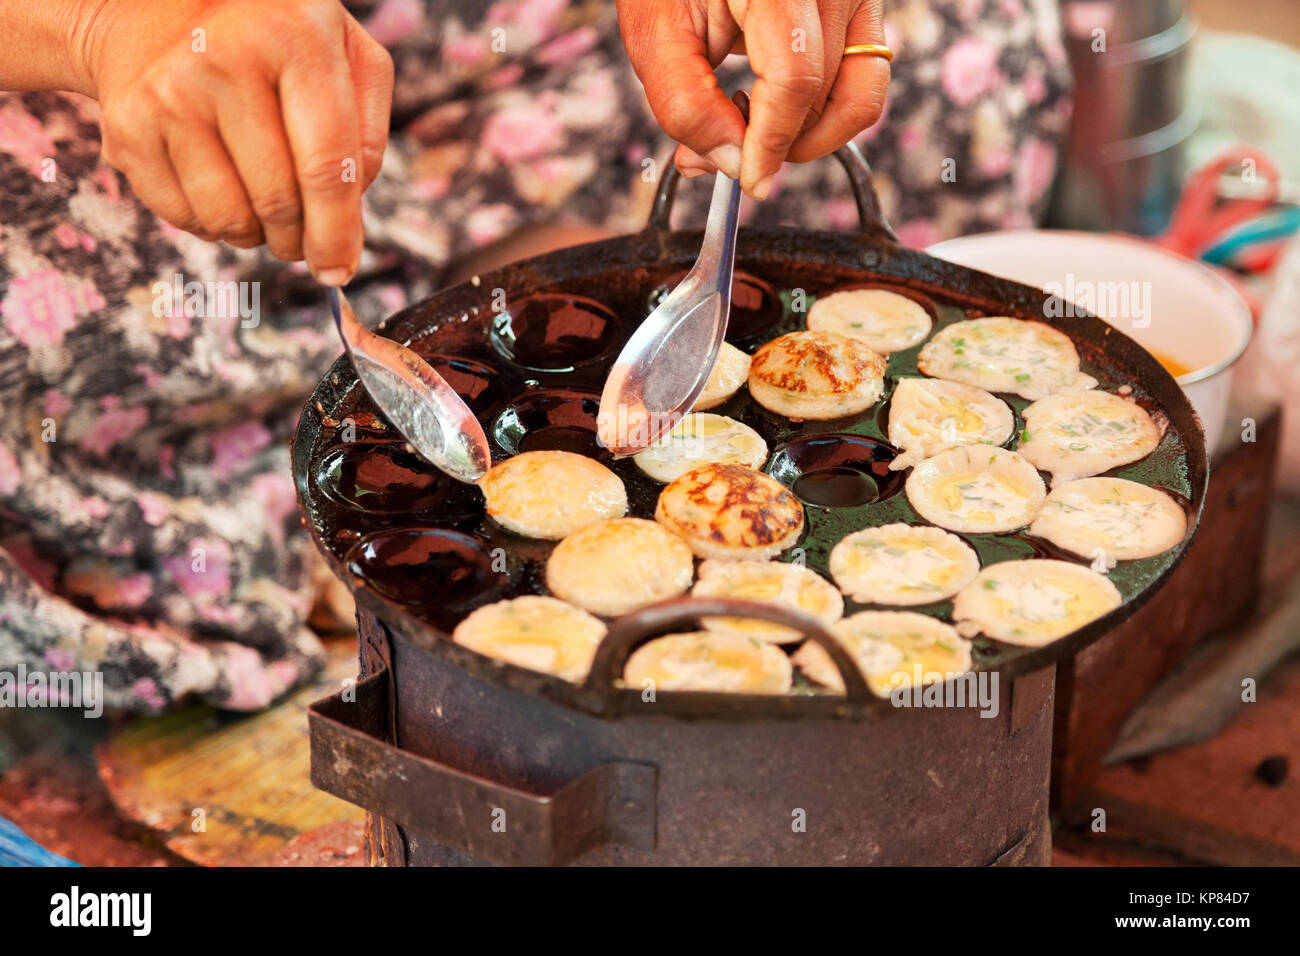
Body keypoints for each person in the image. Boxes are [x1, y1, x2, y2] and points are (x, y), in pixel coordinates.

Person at [0, 0, 1070, 712]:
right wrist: (107, 28)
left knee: (960, 46)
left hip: (463, 31)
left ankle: (443, 303)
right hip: (90, 78)